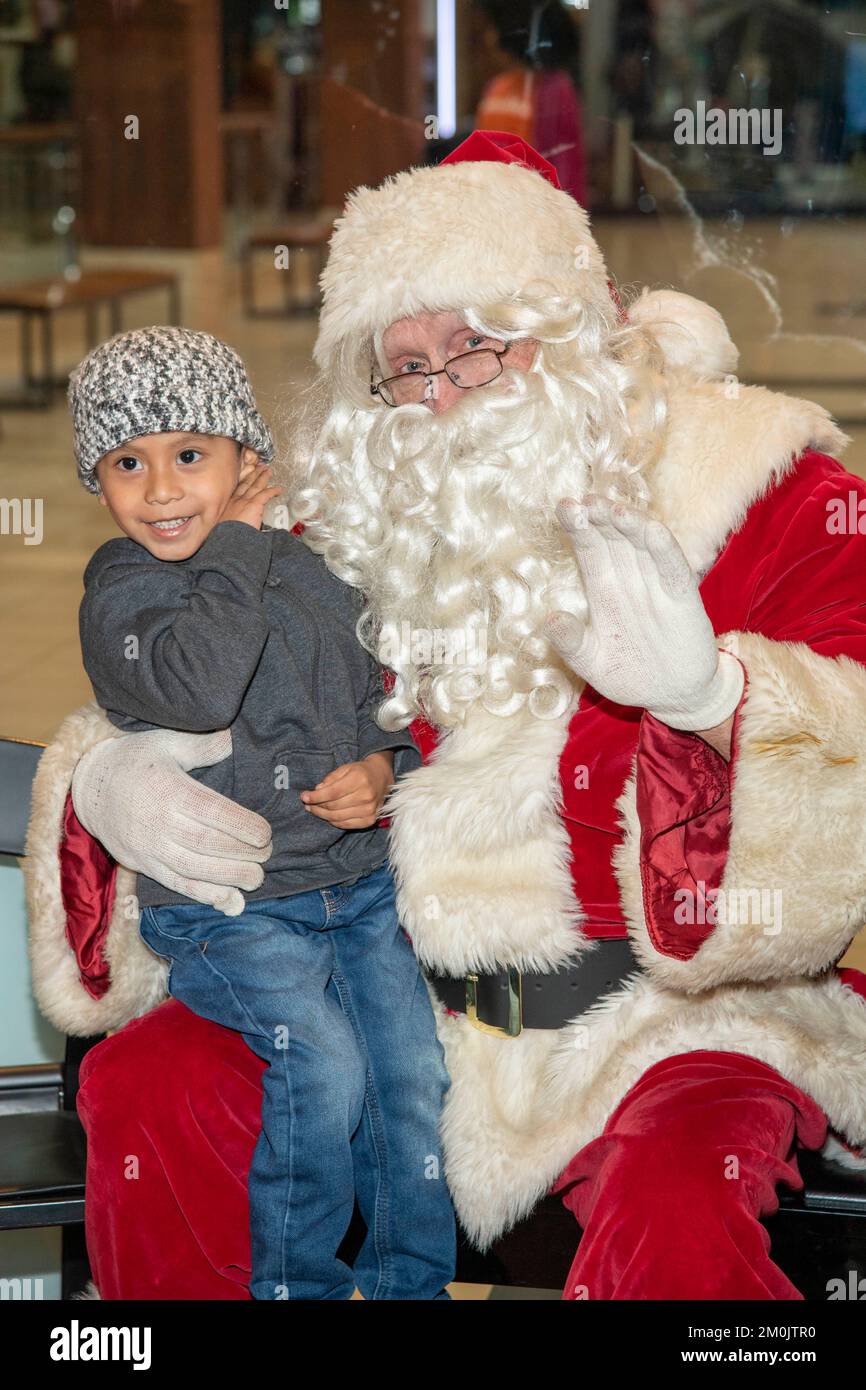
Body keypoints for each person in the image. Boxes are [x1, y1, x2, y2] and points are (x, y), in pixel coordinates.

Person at [25, 132, 866, 1301]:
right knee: (152, 1090)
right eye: (402, 364)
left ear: (574, 334)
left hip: (663, 1021)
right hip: (382, 990)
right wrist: (108, 776)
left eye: (475, 346)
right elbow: (171, 669)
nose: (436, 397)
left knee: (677, 1213)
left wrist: (714, 700)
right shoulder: (346, 507)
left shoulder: (765, 491)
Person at [64, 325, 456, 1301]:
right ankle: (298, 1289)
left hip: (358, 891)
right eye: (126, 464)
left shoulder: (318, 573)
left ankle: (411, 1286)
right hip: (234, 912)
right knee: (320, 1068)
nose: (159, 490)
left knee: (409, 1081)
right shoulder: (122, 588)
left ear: (249, 458)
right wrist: (239, 539)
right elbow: (198, 684)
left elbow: (386, 701)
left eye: (189, 455)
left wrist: (381, 767)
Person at [474, 0, 587, 203]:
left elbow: (564, 165)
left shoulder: (553, 89)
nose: (487, 37)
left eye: (492, 27)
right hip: (498, 207)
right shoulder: (496, 88)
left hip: (534, 210)